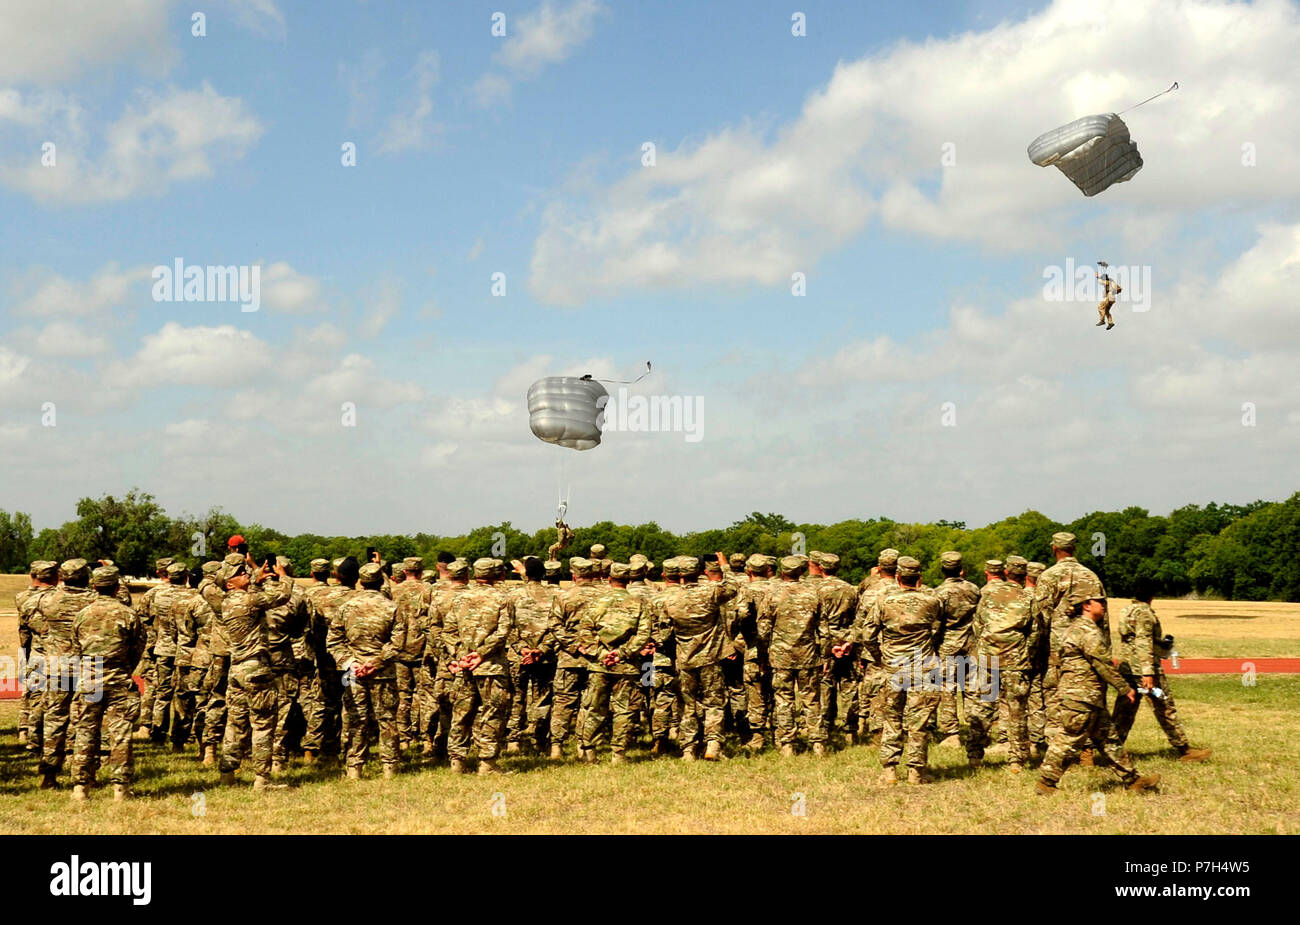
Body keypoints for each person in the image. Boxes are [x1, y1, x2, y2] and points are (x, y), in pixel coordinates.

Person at [1036, 591, 1160, 795]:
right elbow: (1102, 664)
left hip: (1086, 696)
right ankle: (1046, 782)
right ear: (1086, 605)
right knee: (1069, 739)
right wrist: (1124, 687)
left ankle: (1133, 780)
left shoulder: (1073, 629)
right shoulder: (1088, 632)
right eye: (1099, 602)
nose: (1103, 605)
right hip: (1081, 696)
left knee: (1108, 738)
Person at [859, 555, 942, 785]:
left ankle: (890, 771)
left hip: (893, 666)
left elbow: (867, 635)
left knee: (892, 718)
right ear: (919, 578)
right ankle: (916, 772)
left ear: (898, 577)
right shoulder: (932, 601)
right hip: (924, 666)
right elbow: (938, 628)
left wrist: (880, 658)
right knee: (919, 721)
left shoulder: (885, 601)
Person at [1108, 577, 1211, 762]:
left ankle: (1111, 750)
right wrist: (1148, 671)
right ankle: (1184, 749)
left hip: (1127, 667)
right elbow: (1143, 641)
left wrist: (1162, 645)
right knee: (1164, 707)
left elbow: (1133, 640)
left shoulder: (1127, 610)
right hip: (1144, 668)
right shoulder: (1145, 614)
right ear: (1152, 595)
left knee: (1124, 712)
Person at [69, 566, 147, 801]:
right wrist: (124, 668)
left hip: (89, 682)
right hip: (119, 680)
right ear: (116, 588)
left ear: (94, 587)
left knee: (84, 732)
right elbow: (137, 648)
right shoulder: (128, 615)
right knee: (121, 735)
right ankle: (120, 790)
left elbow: (75, 649)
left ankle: (80, 788)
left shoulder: (82, 614)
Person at [215, 554, 292, 791]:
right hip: (256, 667)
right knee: (263, 723)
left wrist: (255, 579)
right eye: (238, 574)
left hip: (237, 668)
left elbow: (251, 597)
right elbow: (283, 595)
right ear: (229, 583)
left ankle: (227, 775)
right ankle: (262, 779)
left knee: (235, 723)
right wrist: (283, 576)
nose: (243, 574)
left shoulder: (227, 601)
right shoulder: (250, 600)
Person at [652, 555, 737, 760]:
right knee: (714, 702)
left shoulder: (669, 599)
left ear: (680, 575)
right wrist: (723, 566)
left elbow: (663, 634)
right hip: (711, 657)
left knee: (686, 705)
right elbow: (733, 586)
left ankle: (688, 749)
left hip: (684, 659)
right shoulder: (711, 592)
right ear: (700, 573)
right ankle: (713, 745)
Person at [442, 559, 514, 774]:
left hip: (464, 665)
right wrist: (481, 654)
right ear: (496, 576)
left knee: (461, 712)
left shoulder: (459, 597)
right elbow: (503, 631)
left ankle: (457, 761)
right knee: (492, 713)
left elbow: (448, 631)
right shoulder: (503, 598)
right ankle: (487, 763)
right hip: (490, 665)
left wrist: (459, 655)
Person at [33, 559, 99, 789]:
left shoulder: (48, 600)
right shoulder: (94, 600)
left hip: (57, 665)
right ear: (85, 577)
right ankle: (84, 773)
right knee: (87, 720)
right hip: (90, 667)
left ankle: (49, 774)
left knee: (54, 719)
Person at [966, 556, 1036, 772]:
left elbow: (977, 625)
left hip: (988, 659)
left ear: (1006, 573)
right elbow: (1034, 632)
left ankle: (975, 755)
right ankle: (1016, 760)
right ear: (1024, 576)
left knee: (984, 706)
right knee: (1017, 711)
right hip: (1016, 661)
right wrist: (1026, 654)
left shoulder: (988, 594)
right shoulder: (1028, 597)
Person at [577, 563, 652, 763]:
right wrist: (622, 653)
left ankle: (589, 752)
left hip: (599, 665)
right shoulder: (640, 603)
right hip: (627, 666)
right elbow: (644, 634)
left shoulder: (596, 602)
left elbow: (584, 631)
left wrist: (601, 653)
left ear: (608, 579)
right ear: (628, 580)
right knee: (623, 710)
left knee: (594, 708)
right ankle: (618, 754)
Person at [334, 562, 403, 780]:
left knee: (355, 719)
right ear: (382, 581)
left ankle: (354, 767)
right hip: (383, 672)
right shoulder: (392, 607)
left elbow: (334, 640)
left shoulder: (346, 607)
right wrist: (377, 661)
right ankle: (389, 768)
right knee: (387, 719)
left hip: (352, 673)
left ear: (360, 582)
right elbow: (398, 643)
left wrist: (349, 662)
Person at [758, 556, 826, 756]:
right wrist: (824, 654)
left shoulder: (772, 594)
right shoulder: (813, 594)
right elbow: (824, 630)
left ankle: (787, 744)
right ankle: (818, 744)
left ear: (782, 571)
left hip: (781, 656)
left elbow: (763, 630)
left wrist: (763, 655)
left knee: (783, 700)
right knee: (811, 700)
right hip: (808, 655)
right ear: (801, 572)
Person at [549, 557, 603, 759]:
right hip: (596, 657)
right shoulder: (605, 595)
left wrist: (573, 645)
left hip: (569, 657)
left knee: (563, 701)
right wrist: (593, 646)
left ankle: (557, 746)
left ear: (573, 575)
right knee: (590, 703)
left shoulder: (563, 596)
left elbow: (554, 625)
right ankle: (585, 746)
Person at [505, 556, 557, 755]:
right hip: (546, 656)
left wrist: (521, 648)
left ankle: (513, 741)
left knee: (516, 696)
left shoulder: (513, 595)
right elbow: (557, 627)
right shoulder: (555, 596)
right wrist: (541, 649)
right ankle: (539, 739)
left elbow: (506, 625)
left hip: (518, 655)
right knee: (542, 698)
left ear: (525, 573)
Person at [808, 552, 860, 747]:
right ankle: (850, 731)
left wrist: (827, 647)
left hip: (825, 643)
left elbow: (815, 621)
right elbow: (858, 619)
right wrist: (850, 641)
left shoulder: (815, 589)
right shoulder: (851, 589)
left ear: (820, 568)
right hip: (847, 644)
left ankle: (825, 728)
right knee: (849, 687)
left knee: (825, 687)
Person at [931, 551, 981, 745]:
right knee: (971, 687)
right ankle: (974, 728)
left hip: (948, 644)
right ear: (962, 570)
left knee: (947, 687)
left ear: (943, 570)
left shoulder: (939, 593)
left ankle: (952, 733)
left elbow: (936, 624)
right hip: (971, 643)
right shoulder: (974, 589)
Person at [391, 557, 433, 754]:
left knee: (402, 696)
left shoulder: (393, 591)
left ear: (404, 570)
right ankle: (428, 739)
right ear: (421, 571)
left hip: (398, 650)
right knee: (426, 695)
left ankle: (404, 738)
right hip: (423, 649)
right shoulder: (428, 590)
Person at [16, 560, 58, 751]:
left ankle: (30, 735)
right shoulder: (61, 597)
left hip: (37, 653)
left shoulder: (23, 598)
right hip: (61, 655)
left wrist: (24, 652)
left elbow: (24, 632)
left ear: (33, 576)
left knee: (35, 696)